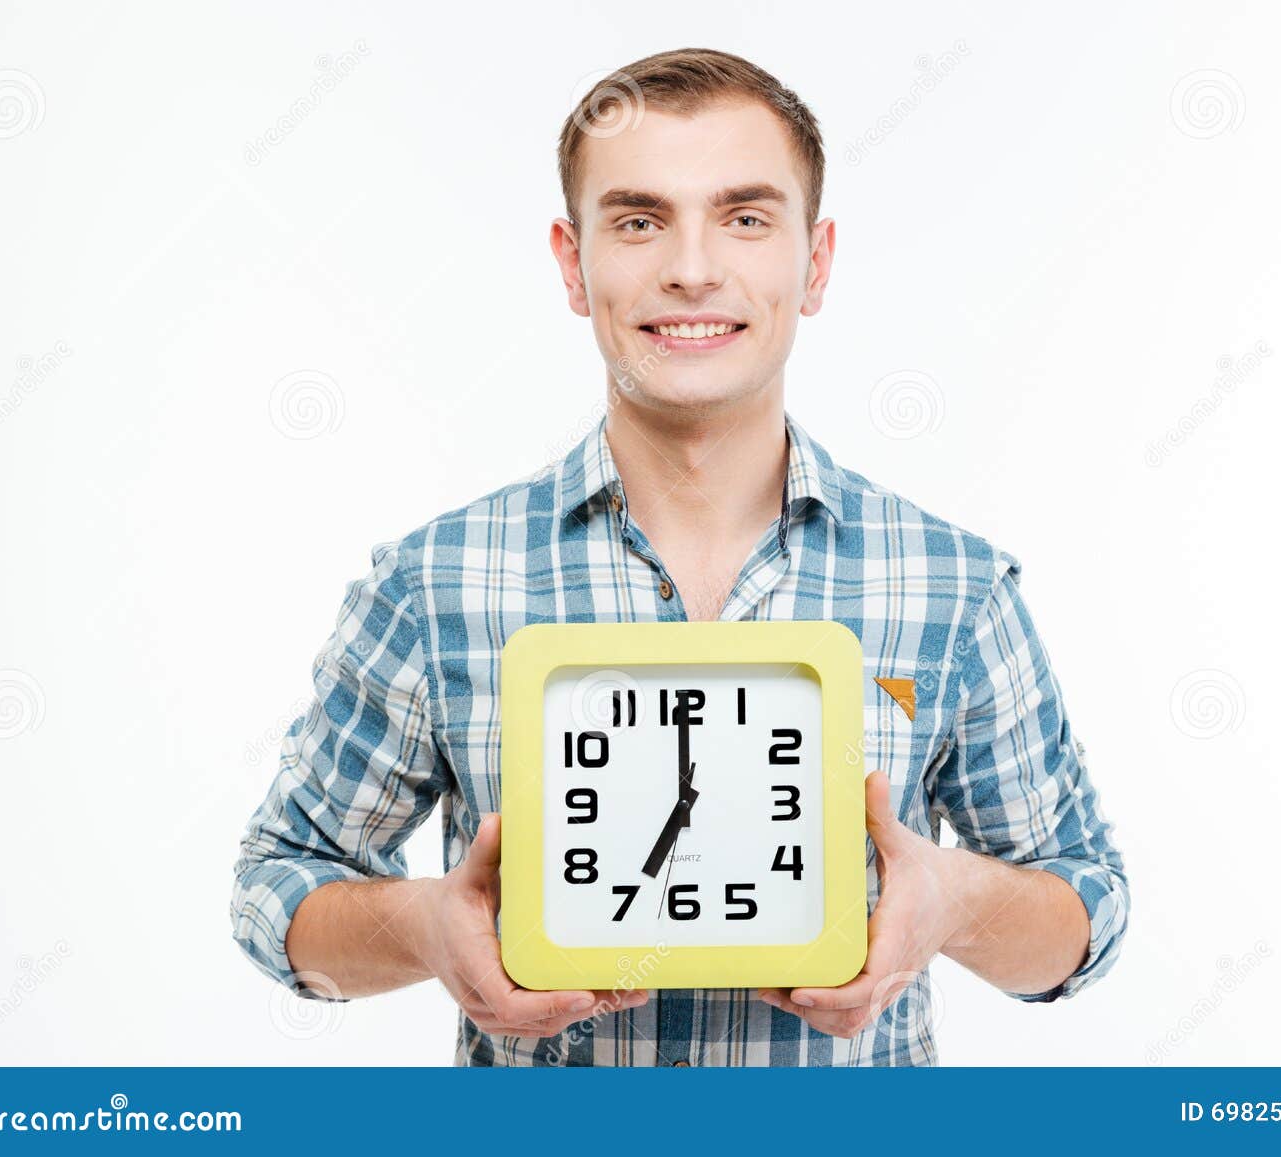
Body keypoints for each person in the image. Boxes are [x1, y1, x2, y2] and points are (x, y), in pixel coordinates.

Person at [231, 46, 1129, 1067]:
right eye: (638, 219)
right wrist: (426, 925)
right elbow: (278, 885)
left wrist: (955, 902)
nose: (692, 267)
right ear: (574, 264)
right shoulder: (435, 582)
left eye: (745, 218)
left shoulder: (953, 588)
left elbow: (1085, 909)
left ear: (815, 260)